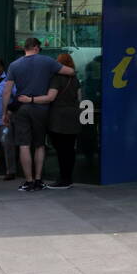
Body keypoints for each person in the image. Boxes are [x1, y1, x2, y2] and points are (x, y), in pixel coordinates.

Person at [3, 37, 75, 192]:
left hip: (22, 107)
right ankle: (38, 180)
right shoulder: (47, 61)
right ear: (36, 47)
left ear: (25, 48)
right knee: (39, 145)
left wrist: (5, 112)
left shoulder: (14, 65)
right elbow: (70, 71)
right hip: (41, 108)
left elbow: (7, 91)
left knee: (24, 145)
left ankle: (28, 181)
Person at [46, 52, 82, 189]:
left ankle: (63, 179)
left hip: (58, 116)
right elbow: (79, 97)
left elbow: (51, 96)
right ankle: (69, 177)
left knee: (61, 149)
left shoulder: (56, 77)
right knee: (70, 149)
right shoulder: (75, 78)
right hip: (73, 115)